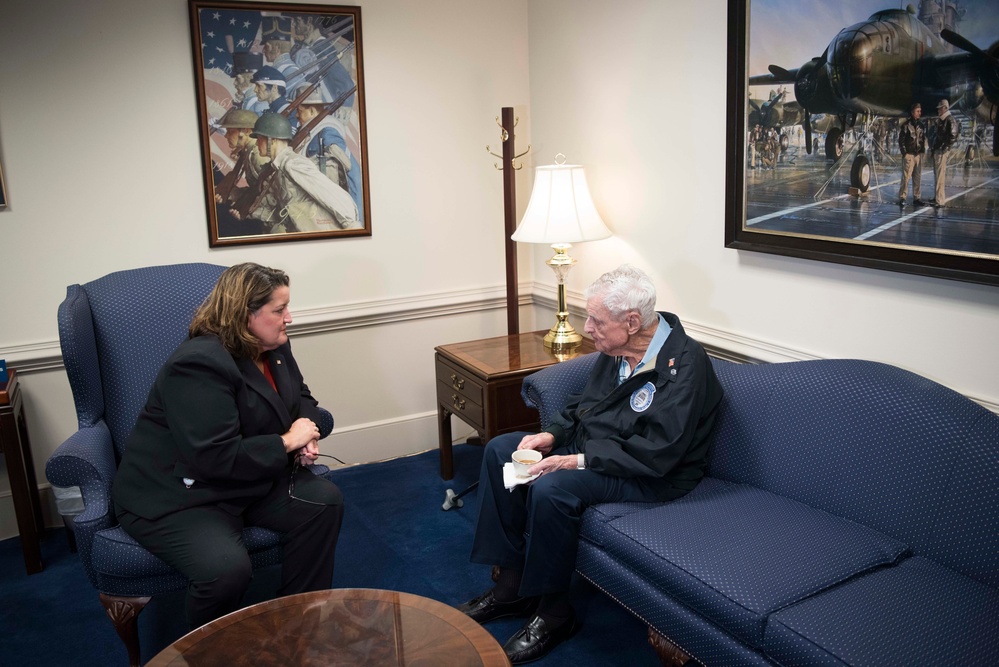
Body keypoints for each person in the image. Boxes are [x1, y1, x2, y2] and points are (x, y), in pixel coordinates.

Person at [456, 265, 724, 664]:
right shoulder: (618, 351)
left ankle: (554, 614)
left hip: (653, 474)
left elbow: (659, 452)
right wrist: (553, 435)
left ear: (631, 322)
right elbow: (584, 404)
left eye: (596, 320)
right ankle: (510, 588)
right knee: (500, 450)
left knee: (552, 487)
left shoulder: (685, 365)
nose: (587, 328)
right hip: (598, 450)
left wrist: (576, 461)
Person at [112, 263, 345, 629]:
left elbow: (301, 397)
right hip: (181, 495)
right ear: (245, 314)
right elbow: (214, 457)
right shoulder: (198, 364)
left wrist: (307, 431)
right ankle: (207, 650)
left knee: (323, 501)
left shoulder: (273, 346)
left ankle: (301, 621)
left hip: (245, 479)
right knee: (226, 570)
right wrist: (288, 441)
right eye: (279, 310)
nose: (289, 318)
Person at [233, 111, 360, 233]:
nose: (257, 143)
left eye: (260, 138)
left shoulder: (293, 164)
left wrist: (351, 225)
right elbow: (277, 209)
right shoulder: (277, 168)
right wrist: (247, 213)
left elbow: (332, 194)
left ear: (272, 140)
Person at [929, 98, 960, 207]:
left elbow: (953, 135)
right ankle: (937, 197)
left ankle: (940, 200)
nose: (938, 110)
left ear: (945, 108)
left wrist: (944, 147)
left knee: (940, 176)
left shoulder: (949, 120)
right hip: (938, 150)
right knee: (937, 175)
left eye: (940, 108)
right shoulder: (942, 120)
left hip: (941, 151)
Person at [897, 102, 926, 207]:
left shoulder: (921, 125)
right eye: (917, 111)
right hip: (909, 154)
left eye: (920, 111)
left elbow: (922, 139)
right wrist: (904, 153)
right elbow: (901, 140)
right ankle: (902, 197)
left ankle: (917, 197)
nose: (919, 113)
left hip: (918, 155)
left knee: (917, 178)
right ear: (912, 112)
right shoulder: (906, 125)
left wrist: (922, 151)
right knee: (906, 178)